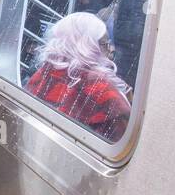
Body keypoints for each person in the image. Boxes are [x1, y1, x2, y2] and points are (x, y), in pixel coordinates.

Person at [25, 12, 131, 143]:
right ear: (88, 46)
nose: (111, 49)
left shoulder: (42, 75)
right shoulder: (104, 92)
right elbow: (123, 143)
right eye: (104, 43)